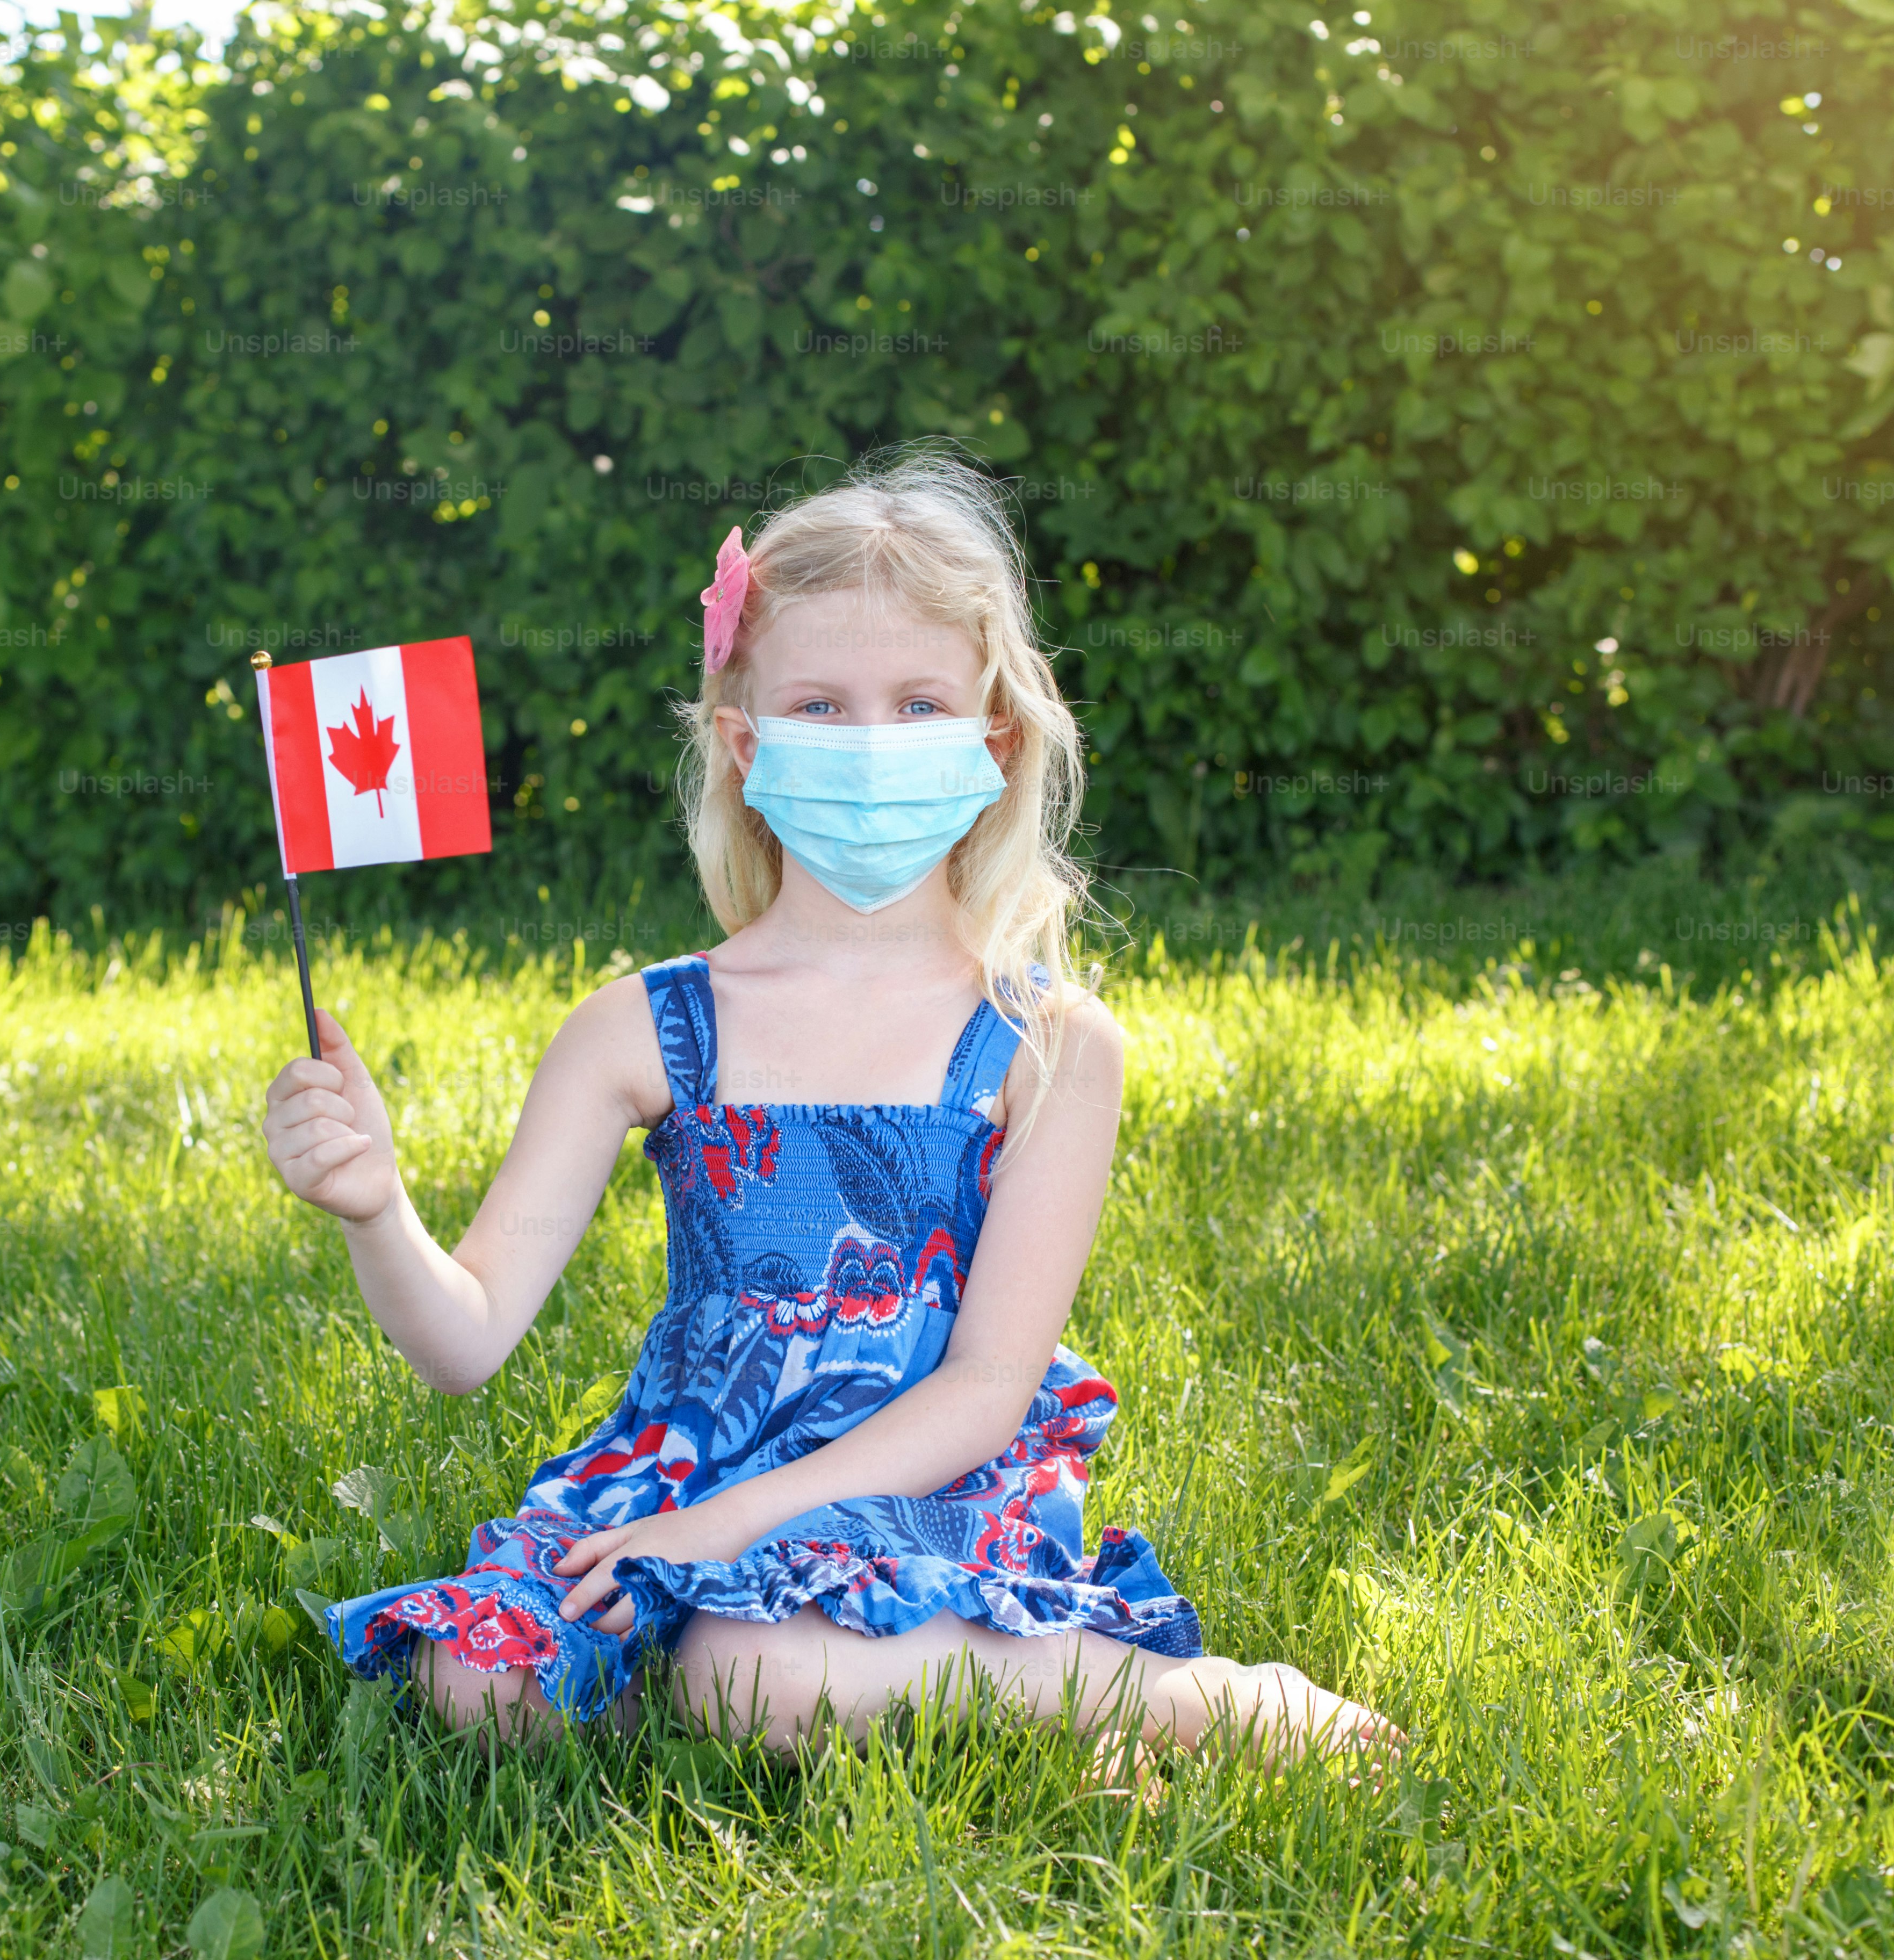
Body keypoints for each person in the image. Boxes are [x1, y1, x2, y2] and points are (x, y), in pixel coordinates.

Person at [261, 444, 1402, 1766]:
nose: (873, 744)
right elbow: (462, 1346)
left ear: (996, 739)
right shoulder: (643, 1026)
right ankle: (723, 1688)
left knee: (765, 1667)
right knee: (476, 1684)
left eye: (921, 704)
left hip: (916, 1479)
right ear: (746, 743)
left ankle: (1164, 1701)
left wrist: (722, 1541)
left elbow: (983, 1390)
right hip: (684, 1467)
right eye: (822, 703)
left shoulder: (1048, 1044)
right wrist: (374, 1208)